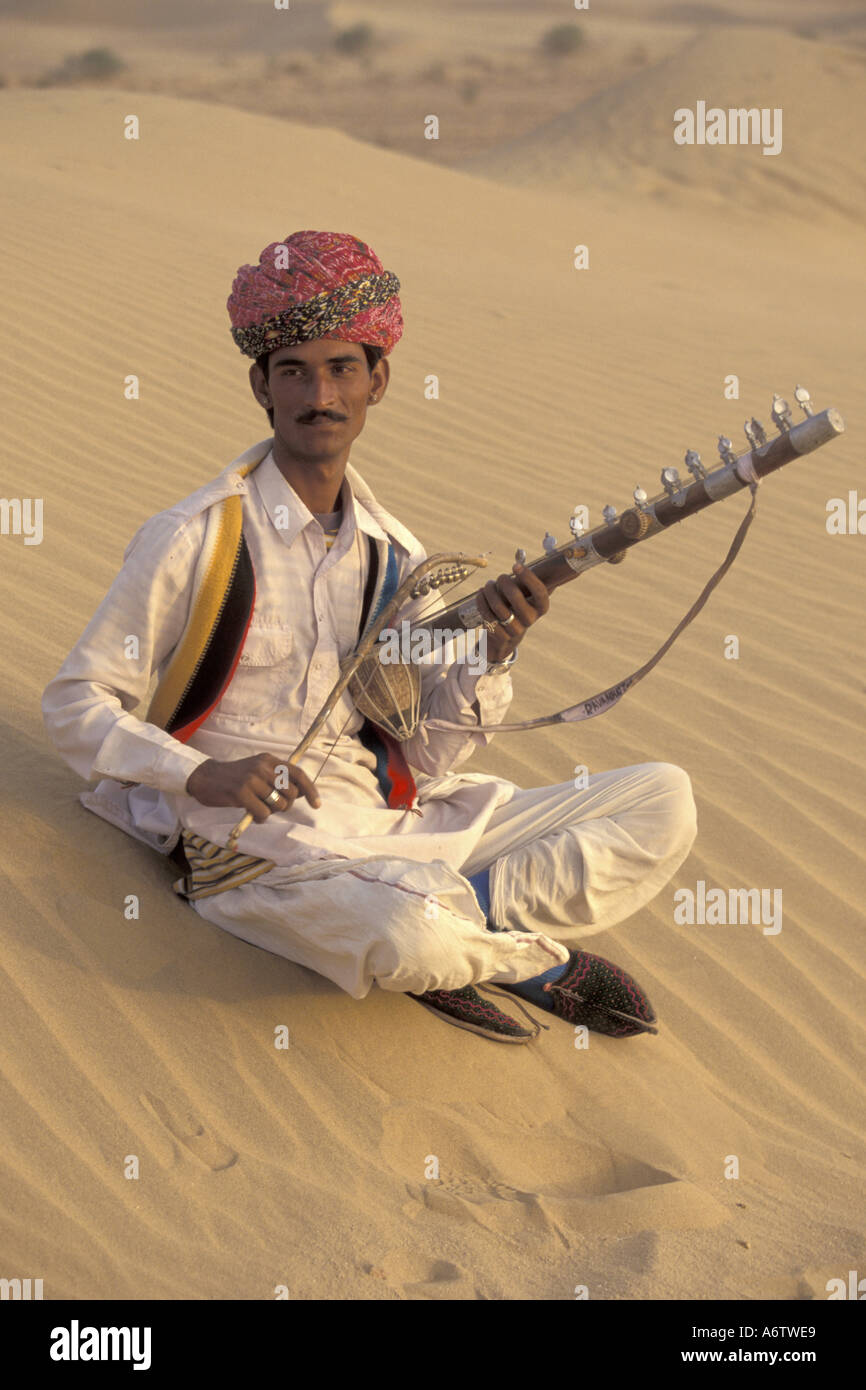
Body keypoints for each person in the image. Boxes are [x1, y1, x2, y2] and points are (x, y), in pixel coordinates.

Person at [42, 230, 698, 1045]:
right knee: (402, 934)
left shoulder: (398, 559)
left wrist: (493, 653)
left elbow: (421, 761)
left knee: (661, 799)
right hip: (266, 861)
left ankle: (467, 917)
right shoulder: (197, 539)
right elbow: (75, 704)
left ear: (377, 381)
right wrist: (201, 773)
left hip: (395, 831)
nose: (320, 394)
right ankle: (521, 959)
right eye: (294, 371)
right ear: (262, 386)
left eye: (342, 368)